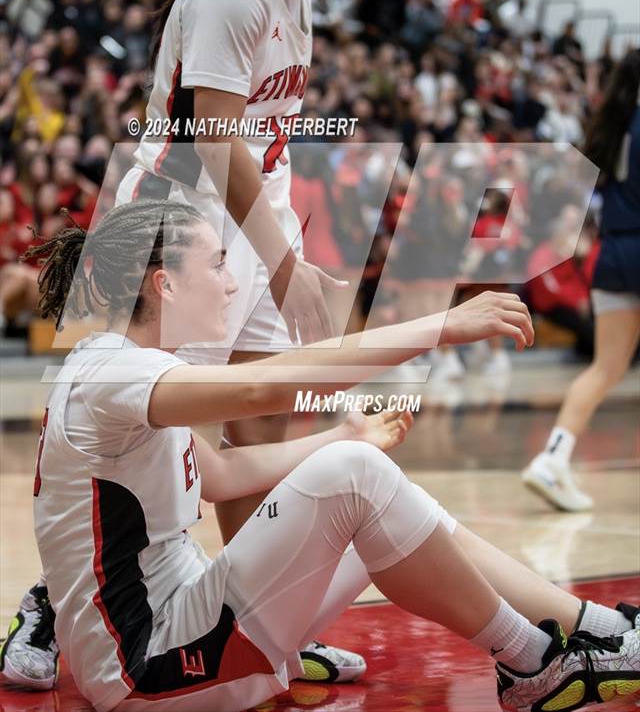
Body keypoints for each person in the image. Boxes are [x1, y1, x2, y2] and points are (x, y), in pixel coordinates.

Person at [3, 0, 394, 685]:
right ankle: (43, 602)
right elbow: (216, 141)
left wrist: (284, 249)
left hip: (250, 220)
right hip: (177, 222)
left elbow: (264, 144)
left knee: (262, 426)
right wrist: (288, 266)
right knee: (152, 439)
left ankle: (269, 617)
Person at [3, 200, 639, 712]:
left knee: (373, 492)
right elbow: (263, 385)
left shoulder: (130, 368)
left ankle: (599, 632)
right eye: (219, 264)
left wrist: (342, 438)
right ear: (165, 284)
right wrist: (439, 327)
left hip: (178, 627)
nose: (232, 283)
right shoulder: (113, 373)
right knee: (356, 481)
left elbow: (220, 477)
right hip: (146, 669)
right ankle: (534, 662)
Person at [523, 49, 640, 511]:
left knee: (605, 368)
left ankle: (553, 459)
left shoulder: (611, 129)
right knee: (609, 368)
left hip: (613, 253)